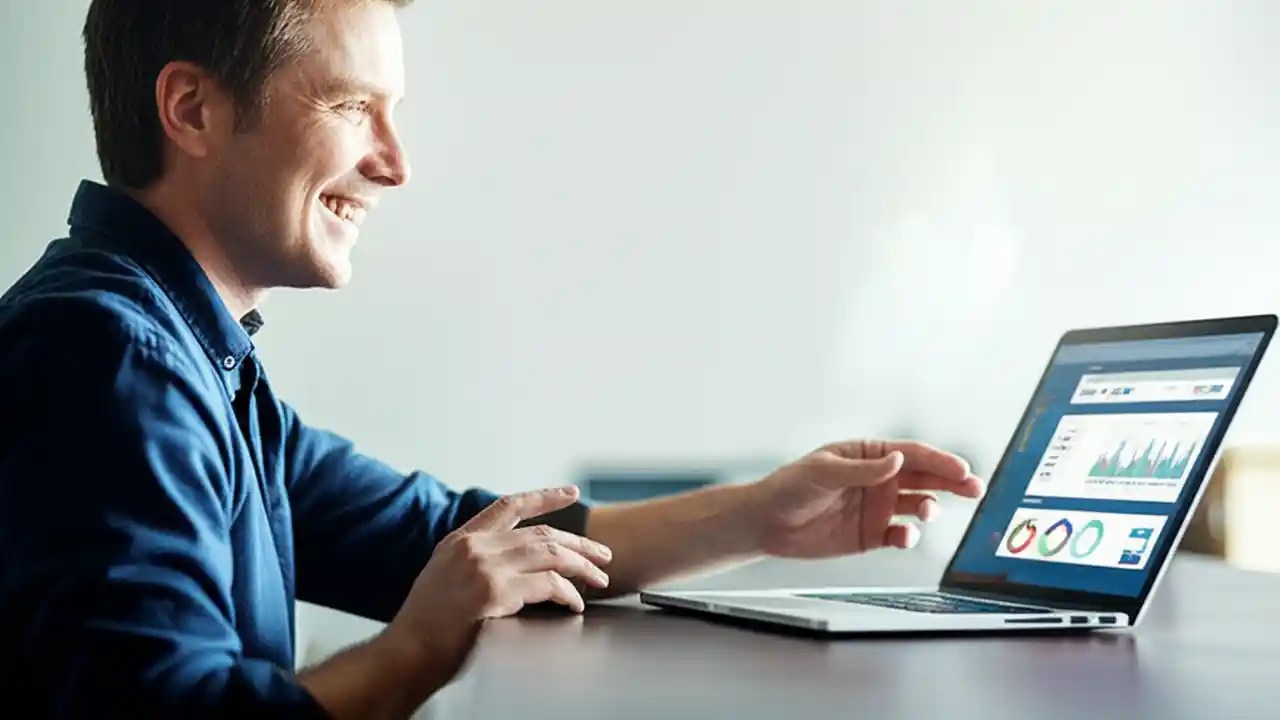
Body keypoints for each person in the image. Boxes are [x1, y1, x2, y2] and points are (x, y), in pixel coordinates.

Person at [0, 1, 984, 718]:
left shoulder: (188, 356)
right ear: (193, 110)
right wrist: (419, 648)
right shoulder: (110, 357)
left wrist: (764, 513)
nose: (396, 162)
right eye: (353, 107)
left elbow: (455, 535)